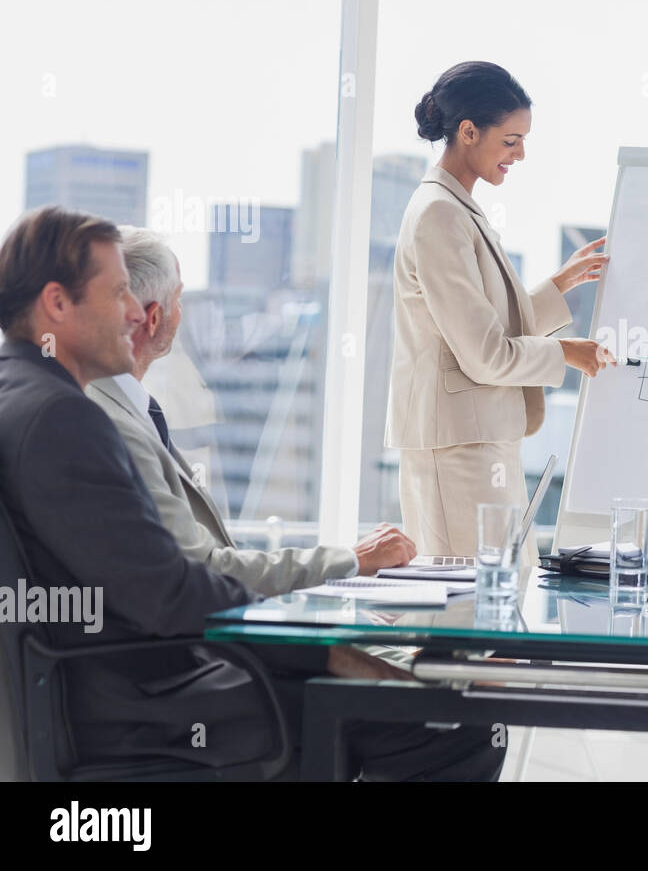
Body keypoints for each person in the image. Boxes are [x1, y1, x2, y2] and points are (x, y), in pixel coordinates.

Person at [0, 206, 504, 779]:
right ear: (57, 304)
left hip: (111, 683)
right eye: (117, 294)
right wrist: (318, 651)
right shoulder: (63, 417)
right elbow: (166, 591)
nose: (134, 312)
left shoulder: (20, 393)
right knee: (455, 724)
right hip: (150, 702)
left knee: (419, 691)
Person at [86, 226, 417, 596]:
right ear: (152, 319)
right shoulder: (114, 424)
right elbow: (205, 567)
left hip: (202, 625)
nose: (182, 313)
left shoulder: (123, 407)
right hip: (194, 641)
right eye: (179, 300)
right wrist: (353, 559)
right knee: (386, 653)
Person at [386, 61, 613, 563]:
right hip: (458, 449)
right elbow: (484, 354)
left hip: (478, 441)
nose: (521, 153)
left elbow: (479, 326)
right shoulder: (439, 213)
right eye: (511, 140)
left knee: (499, 611)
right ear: (468, 131)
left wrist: (560, 284)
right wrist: (565, 353)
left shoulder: (456, 207)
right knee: (471, 619)